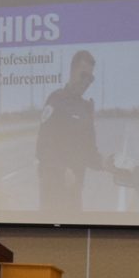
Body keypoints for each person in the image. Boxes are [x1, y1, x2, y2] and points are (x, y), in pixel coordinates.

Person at [36, 48, 101, 212]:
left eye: (90, 78)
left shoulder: (86, 108)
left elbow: (90, 153)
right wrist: (63, 171)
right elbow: (42, 148)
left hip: (75, 192)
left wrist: (108, 164)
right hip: (53, 192)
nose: (86, 81)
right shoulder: (56, 100)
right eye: (83, 75)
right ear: (72, 71)